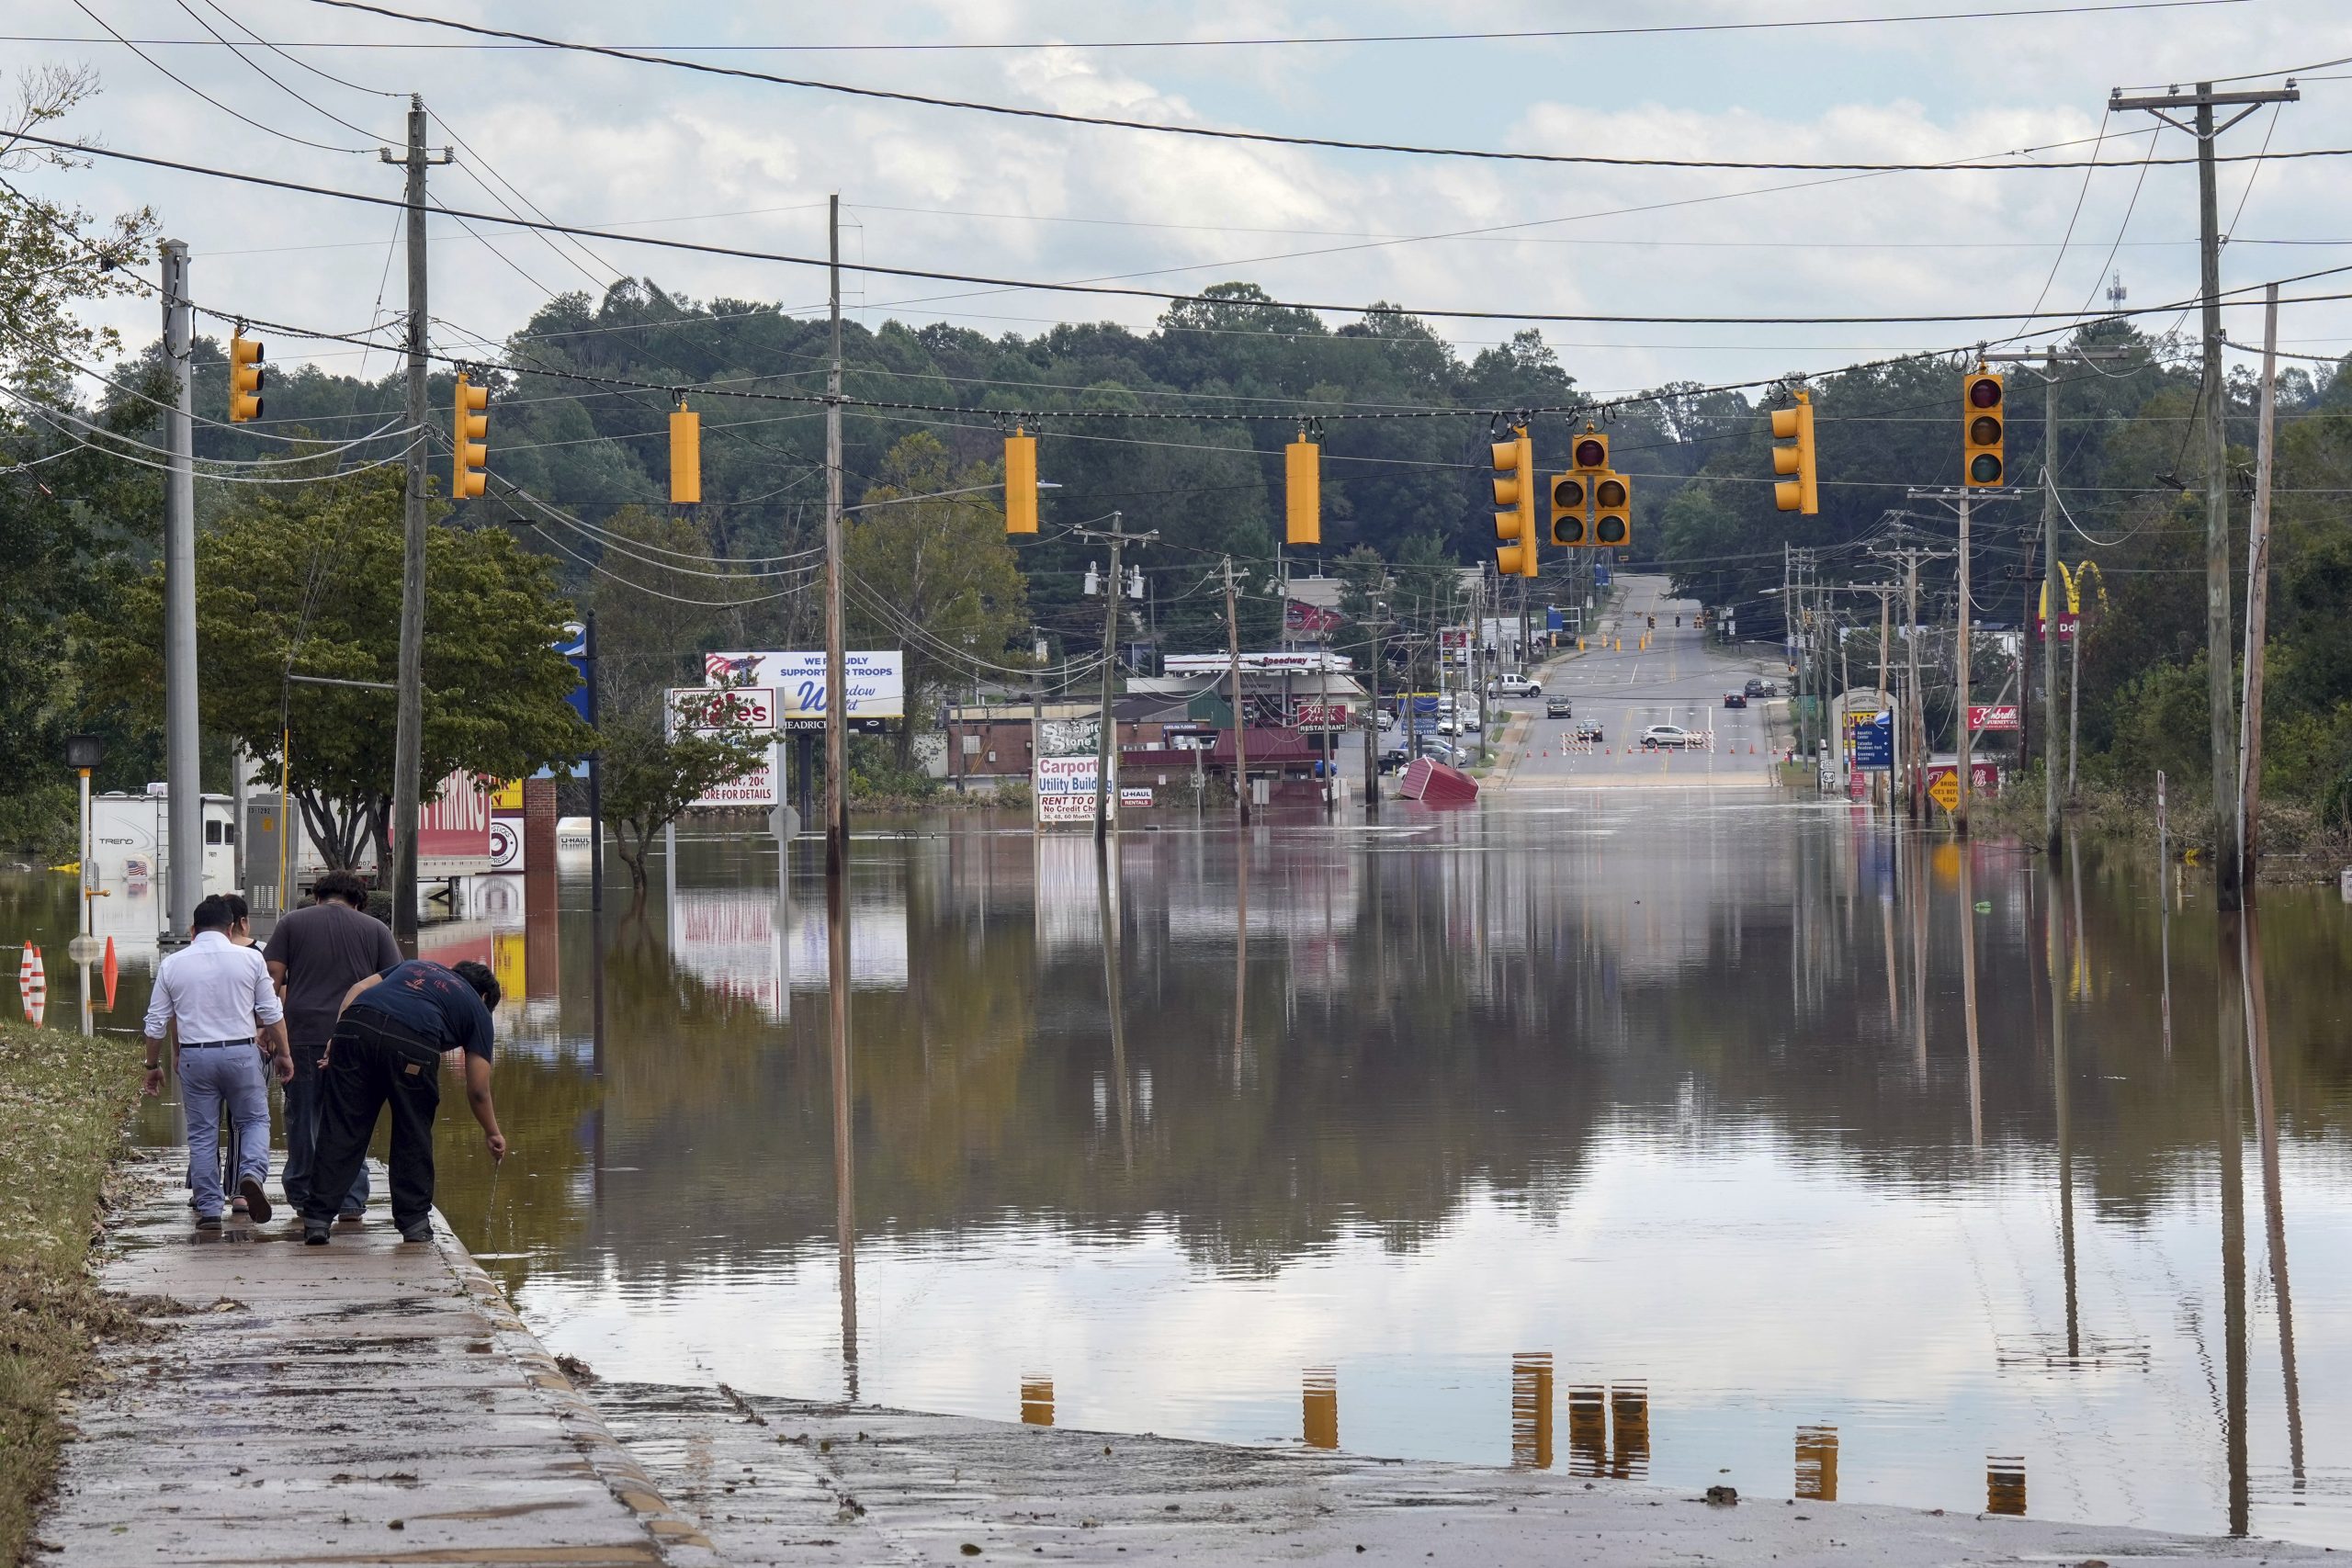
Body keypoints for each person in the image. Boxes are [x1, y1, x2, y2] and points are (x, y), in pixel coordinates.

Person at [300, 957, 507, 1247]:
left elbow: (358, 988)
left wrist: (338, 1035)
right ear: (484, 997)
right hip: (412, 1042)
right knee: (412, 1131)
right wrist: (492, 1132)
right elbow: (478, 1089)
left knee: (342, 1125)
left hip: (355, 1026)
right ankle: (414, 1224)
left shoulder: (414, 966)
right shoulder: (478, 1010)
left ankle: (317, 1221)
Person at [142, 893, 293, 1229]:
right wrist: (284, 1053)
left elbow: (155, 1023)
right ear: (230, 928)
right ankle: (250, 1173)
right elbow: (271, 1013)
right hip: (241, 1053)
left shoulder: (172, 964)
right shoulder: (250, 959)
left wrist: (152, 1066)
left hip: (195, 1056)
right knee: (254, 1121)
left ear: (193, 930)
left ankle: (210, 1209)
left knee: (202, 1133)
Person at [263, 870, 399, 1222]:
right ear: (359, 901)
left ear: (317, 896)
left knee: (304, 1117)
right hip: (358, 1036)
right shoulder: (376, 930)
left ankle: (305, 1197)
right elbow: (395, 984)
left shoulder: (291, 924)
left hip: (303, 1034)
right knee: (351, 1117)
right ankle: (351, 1200)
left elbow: (271, 979)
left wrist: (265, 1027)